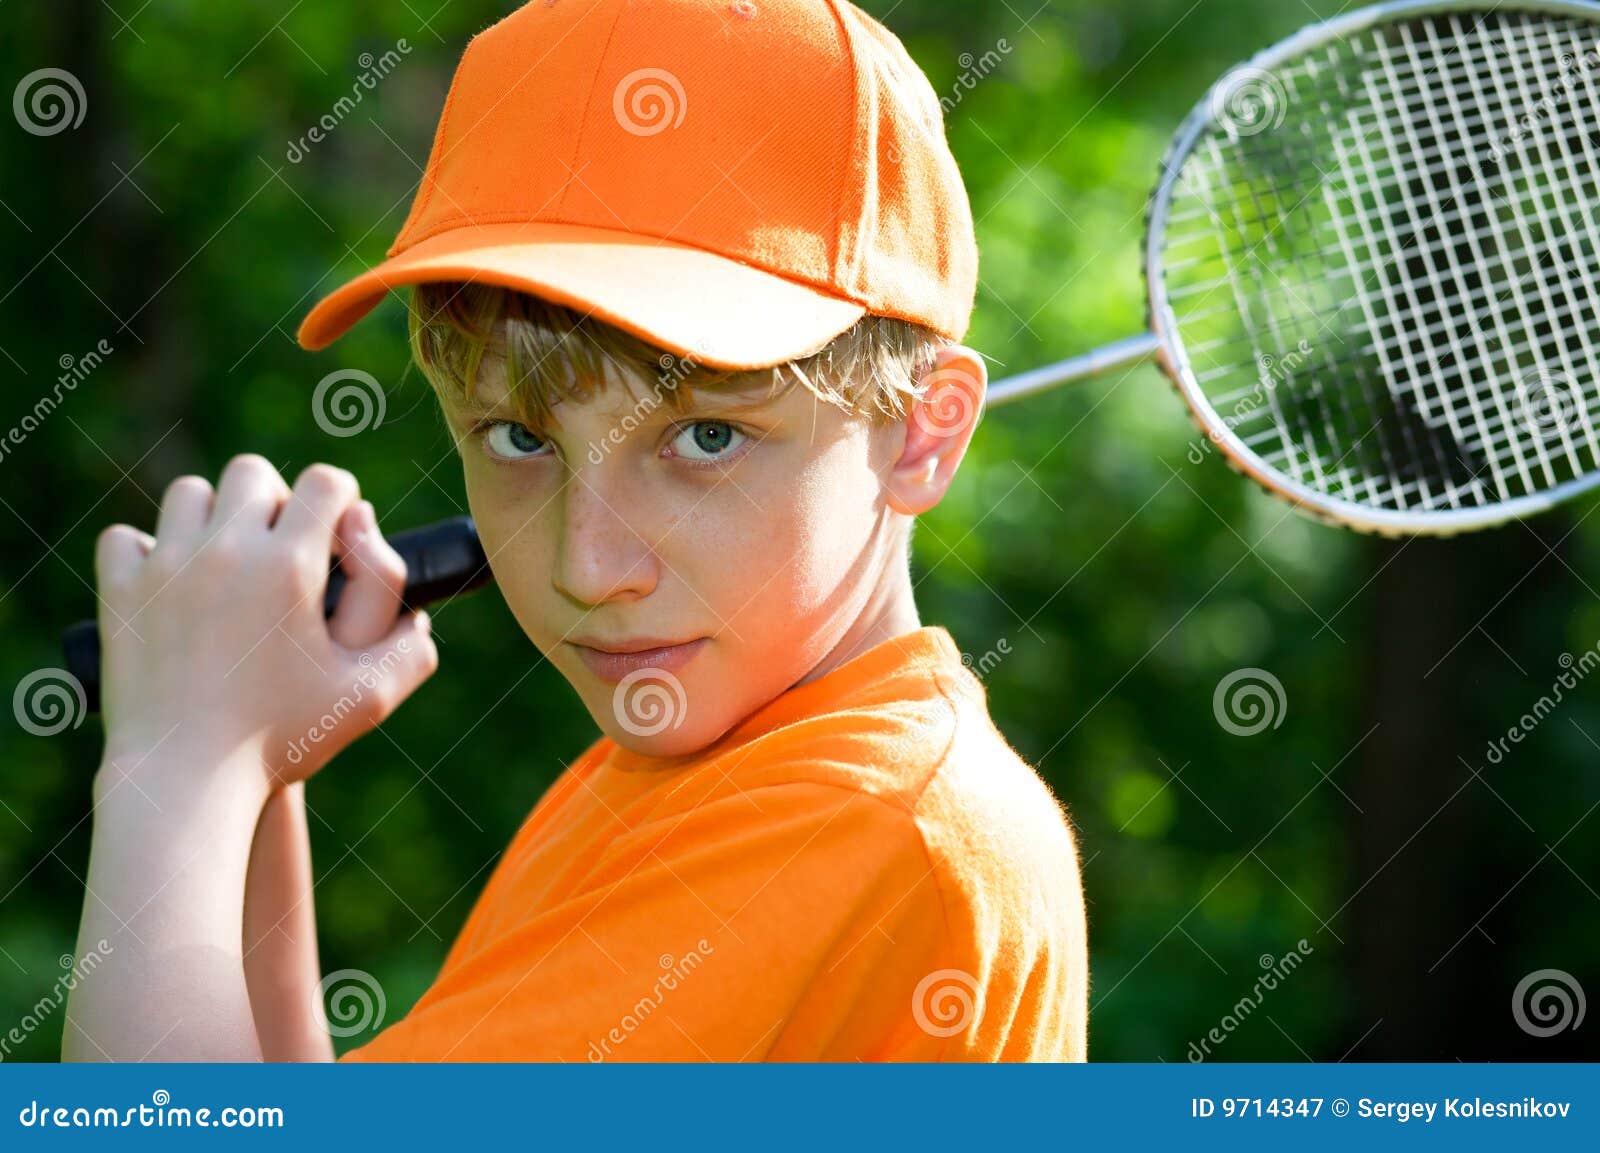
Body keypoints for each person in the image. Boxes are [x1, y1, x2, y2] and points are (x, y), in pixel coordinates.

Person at [64, 0, 1088, 1062]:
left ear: (920, 435)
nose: (587, 564)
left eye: (704, 439)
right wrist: (248, 761)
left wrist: (173, 768)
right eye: (517, 436)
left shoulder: (860, 824)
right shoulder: (670, 779)